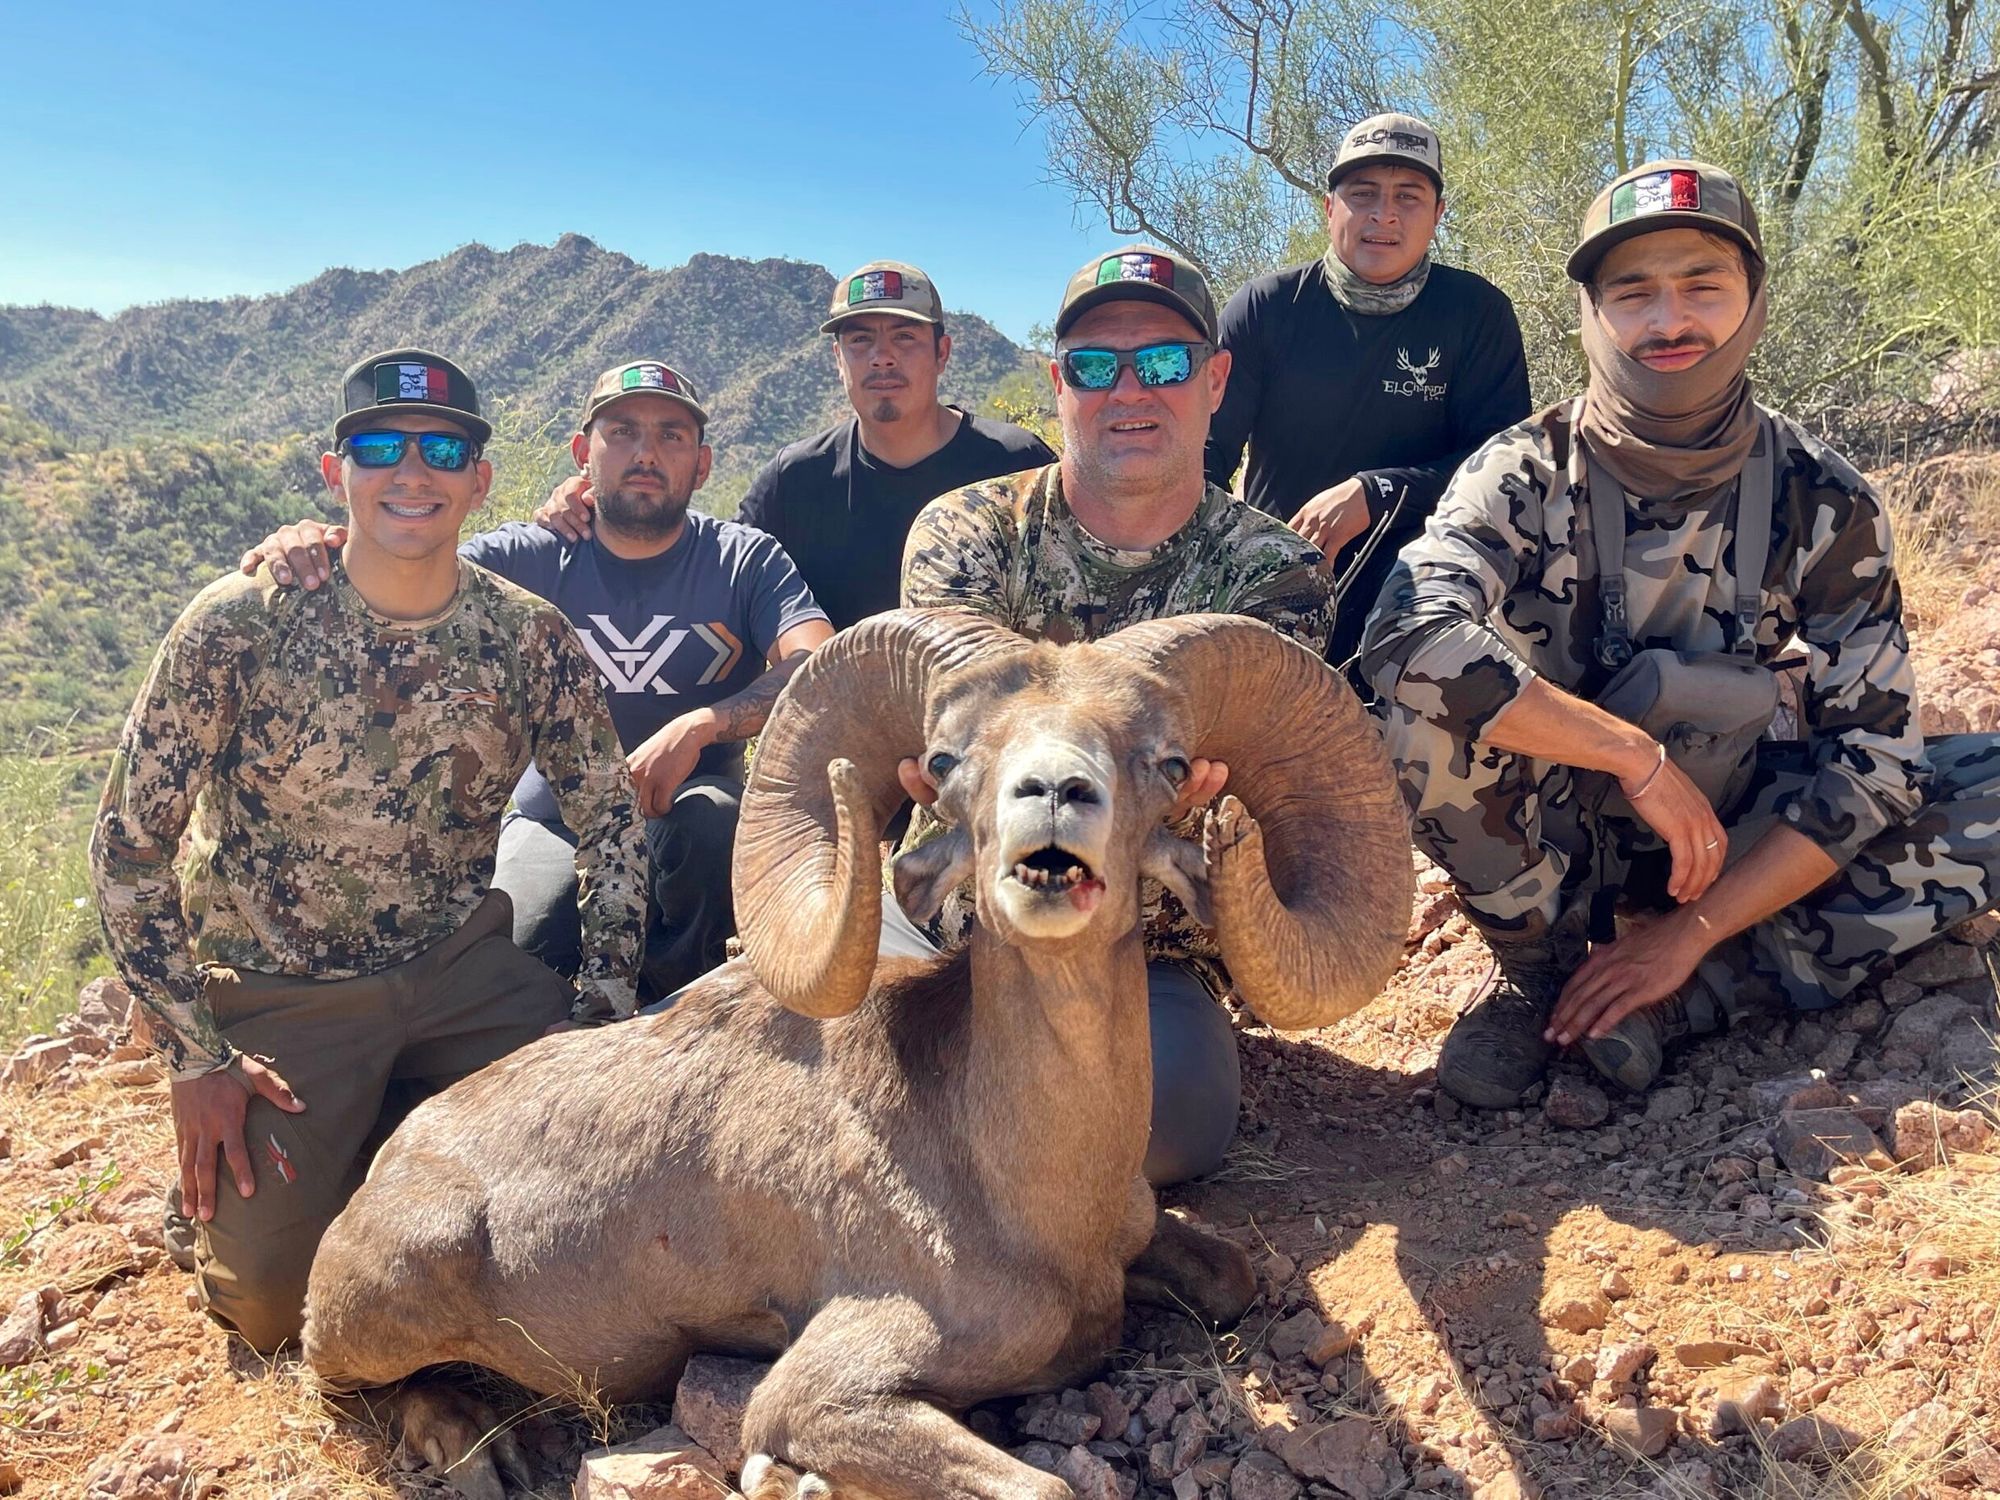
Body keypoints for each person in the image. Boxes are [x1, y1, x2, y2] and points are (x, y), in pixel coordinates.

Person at [1360, 161, 2000, 1109]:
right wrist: (1632, 758)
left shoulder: (1823, 495)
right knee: (1416, 716)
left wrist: (1693, 931)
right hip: (1553, 828)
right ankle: (1543, 977)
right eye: (1634, 293)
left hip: (1734, 827)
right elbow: (1406, 631)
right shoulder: (1522, 470)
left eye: (1703, 285)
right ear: (1591, 314)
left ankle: (1687, 990)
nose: (1669, 323)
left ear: (1753, 303)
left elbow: (1877, 759)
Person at [93, 349, 647, 1350]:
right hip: (281, 994)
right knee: (273, 1314)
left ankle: (387, 1110)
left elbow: (609, 821)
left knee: (615, 1195)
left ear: (479, 479)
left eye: (442, 449)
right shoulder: (240, 625)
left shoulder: (526, 638)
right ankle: (307, 1157)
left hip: (458, 976)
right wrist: (194, 1056)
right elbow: (130, 849)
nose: (411, 473)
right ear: (334, 469)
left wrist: (598, 1023)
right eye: (379, 447)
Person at [896, 244, 1336, 1185]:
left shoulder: (1277, 573)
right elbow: (949, 734)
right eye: (1096, 366)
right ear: (1059, 385)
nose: (1129, 389)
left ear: (1216, 381)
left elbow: (1267, 795)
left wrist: (1212, 799)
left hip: (1142, 946)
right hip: (965, 928)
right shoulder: (965, 534)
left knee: (1167, 1126)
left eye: (1166, 363)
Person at [238, 360, 833, 999]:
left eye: (671, 436)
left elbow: (820, 668)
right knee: (516, 947)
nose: (646, 453)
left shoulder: (742, 560)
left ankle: (673, 1035)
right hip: (550, 819)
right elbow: (403, 563)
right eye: (623, 432)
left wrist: (704, 724)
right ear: (584, 454)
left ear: (703, 464)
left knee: (713, 828)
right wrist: (315, 544)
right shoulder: (527, 558)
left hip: (689, 813)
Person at [537, 261, 1055, 628]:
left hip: (992, 749)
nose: (881, 357)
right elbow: (708, 565)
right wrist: (594, 498)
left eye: (905, 338)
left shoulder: (1016, 466)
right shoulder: (797, 479)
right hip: (844, 750)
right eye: (860, 341)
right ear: (838, 358)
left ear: (941, 353)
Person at [1204, 112, 1531, 668]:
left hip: (1426, 605)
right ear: (1331, 207)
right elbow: (1204, 460)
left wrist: (1378, 493)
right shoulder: (1264, 309)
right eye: (1363, 193)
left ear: (1437, 216)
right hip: (1273, 598)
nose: (1383, 213)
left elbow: (1503, 472)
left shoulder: (1477, 313)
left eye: (1409, 196)